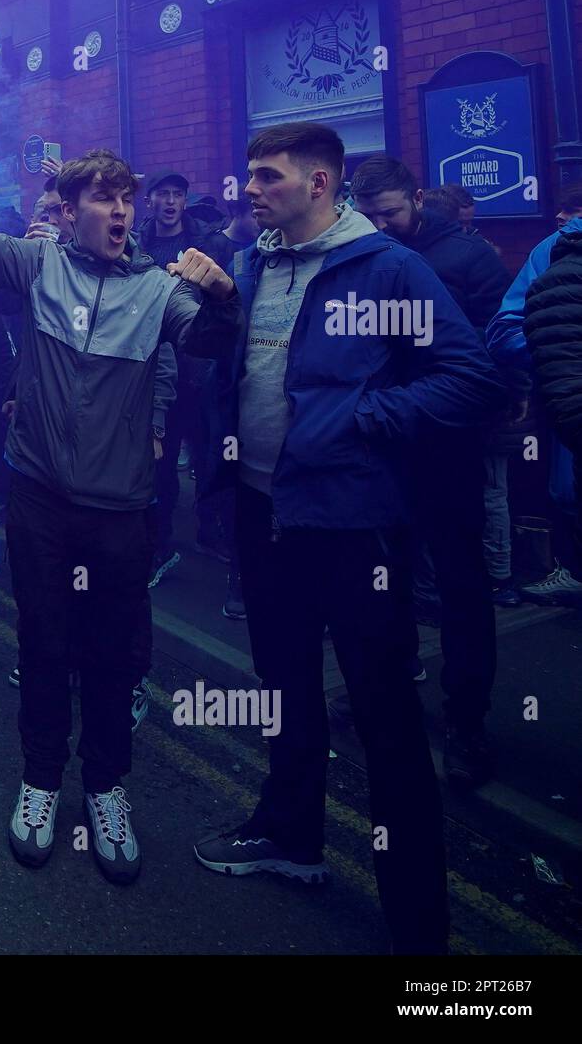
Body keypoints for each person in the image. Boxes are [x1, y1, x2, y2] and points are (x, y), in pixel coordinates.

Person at [189, 122, 503, 955]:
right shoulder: (256, 261)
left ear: (321, 183)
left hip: (354, 525)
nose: (249, 189)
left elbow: (469, 375)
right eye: (248, 174)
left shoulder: (385, 269)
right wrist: (218, 310)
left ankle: (418, 929)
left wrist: (366, 420)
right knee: (283, 681)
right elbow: (247, 367)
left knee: (384, 714)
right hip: (266, 512)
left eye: (266, 176)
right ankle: (292, 836)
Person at [0, 97, 243, 886]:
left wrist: (226, 297)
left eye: (126, 198)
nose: (121, 209)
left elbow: (210, 344)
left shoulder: (160, 291)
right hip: (41, 500)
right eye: (104, 198)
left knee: (115, 654)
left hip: (122, 510)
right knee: (44, 641)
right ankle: (39, 782)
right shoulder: (39, 265)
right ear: (70, 213)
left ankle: (106, 787)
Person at [352, 153, 513, 786]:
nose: (381, 226)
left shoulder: (470, 258)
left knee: (461, 588)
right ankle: (391, 696)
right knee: (383, 581)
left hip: (447, 444)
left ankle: (467, 722)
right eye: (368, 216)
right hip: (388, 444)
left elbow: (503, 342)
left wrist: (510, 392)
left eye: (389, 213)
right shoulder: (370, 254)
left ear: (415, 198)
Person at [136, 170, 234, 588]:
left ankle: (211, 531)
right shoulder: (136, 245)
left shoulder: (212, 243)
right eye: (163, 195)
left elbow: (232, 299)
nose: (171, 201)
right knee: (160, 460)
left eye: (178, 194)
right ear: (151, 202)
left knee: (211, 457)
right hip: (155, 369)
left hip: (201, 369)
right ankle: (160, 543)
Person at [485, 186, 582, 606]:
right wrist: (557, 356)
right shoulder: (558, 249)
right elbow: (504, 330)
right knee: (568, 492)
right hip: (572, 408)